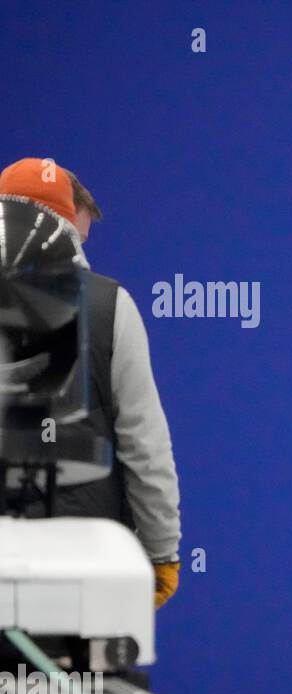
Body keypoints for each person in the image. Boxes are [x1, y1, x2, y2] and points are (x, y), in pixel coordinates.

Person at [0, 158, 182, 609]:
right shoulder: (108, 306)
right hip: (83, 565)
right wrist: (162, 551)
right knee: (75, 680)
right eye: (78, 238)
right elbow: (145, 443)